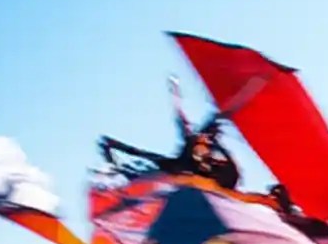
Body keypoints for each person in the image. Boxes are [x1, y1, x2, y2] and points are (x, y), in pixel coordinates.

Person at [100, 77, 241, 189]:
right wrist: (175, 95)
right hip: (186, 174)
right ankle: (114, 167)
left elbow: (210, 126)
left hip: (219, 179)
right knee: (155, 162)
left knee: (206, 133)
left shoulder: (209, 150)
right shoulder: (186, 153)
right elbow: (142, 153)